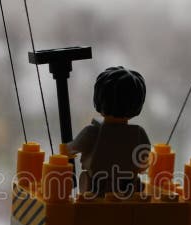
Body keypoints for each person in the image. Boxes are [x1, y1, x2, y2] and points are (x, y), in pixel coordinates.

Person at [61, 66, 151, 197]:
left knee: (85, 180)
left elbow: (70, 150)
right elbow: (144, 164)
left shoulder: (92, 132)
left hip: (96, 186)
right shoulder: (139, 134)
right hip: (128, 186)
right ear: (137, 104)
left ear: (99, 100)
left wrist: (65, 149)